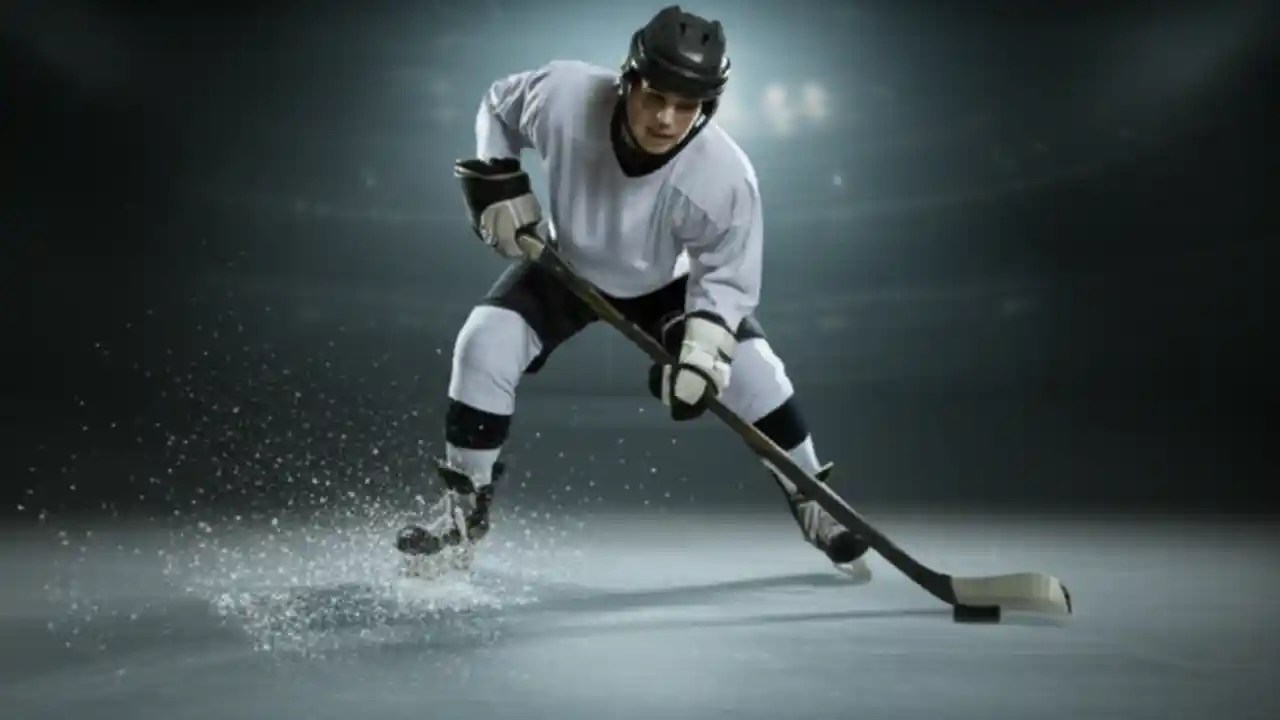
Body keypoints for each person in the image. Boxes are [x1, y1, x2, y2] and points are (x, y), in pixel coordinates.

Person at [396, 5, 871, 581]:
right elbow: (499, 105)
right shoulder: (565, 94)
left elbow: (726, 280)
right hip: (567, 265)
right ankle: (462, 511)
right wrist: (497, 177)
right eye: (655, 97)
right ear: (627, 80)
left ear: (707, 107)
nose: (667, 119)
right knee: (483, 345)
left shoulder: (726, 177)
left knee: (759, 375)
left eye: (686, 105)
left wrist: (702, 357)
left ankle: (815, 501)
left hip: (668, 287)